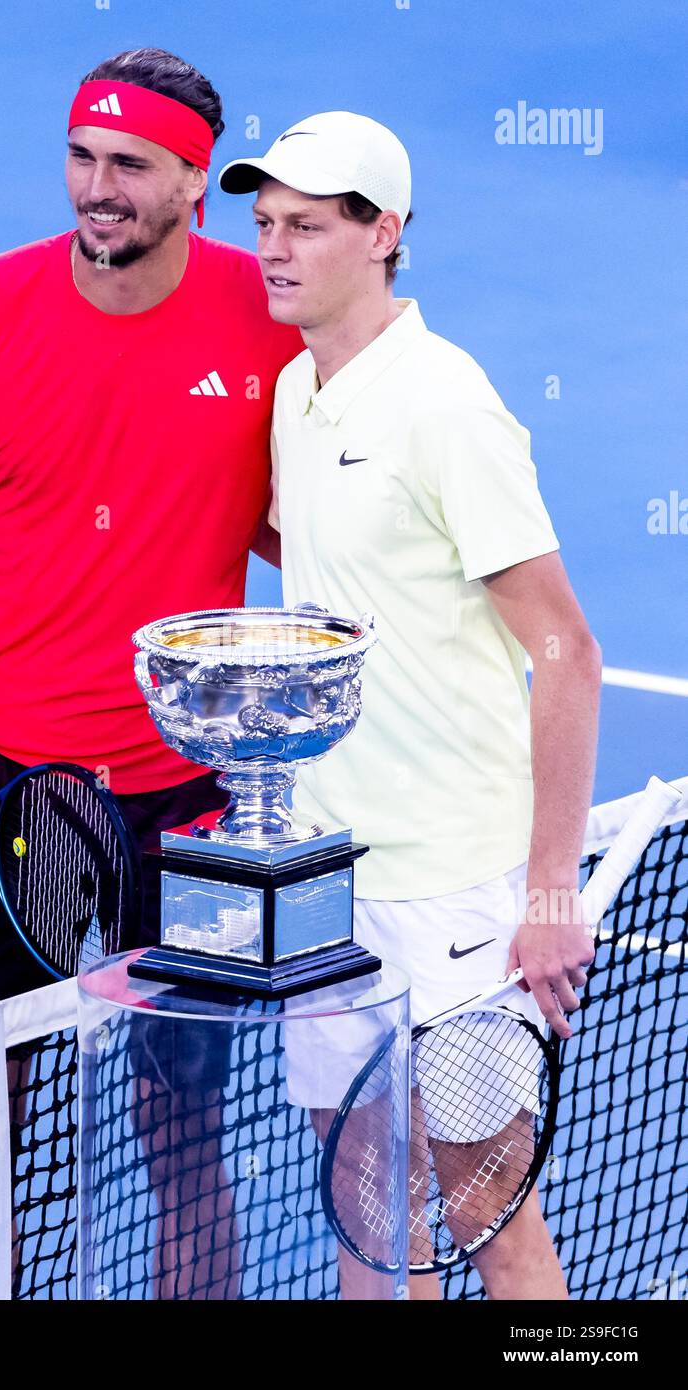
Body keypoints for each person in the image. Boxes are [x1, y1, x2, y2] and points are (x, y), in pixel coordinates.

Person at [0, 47, 301, 1298]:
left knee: (183, 1133)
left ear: (193, 186)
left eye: (131, 164)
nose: (97, 188)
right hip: (0, 793)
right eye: (81, 156)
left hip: (189, 802)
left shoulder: (263, 321)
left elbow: (304, 527)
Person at [219, 111, 602, 1300]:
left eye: (308, 227)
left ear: (383, 235)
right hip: (332, 872)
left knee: (491, 1207)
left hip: (457, 892)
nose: (276, 250)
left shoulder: (447, 407)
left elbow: (569, 651)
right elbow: (338, 567)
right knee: (368, 1209)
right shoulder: (297, 393)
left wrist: (547, 896)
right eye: (266, 224)